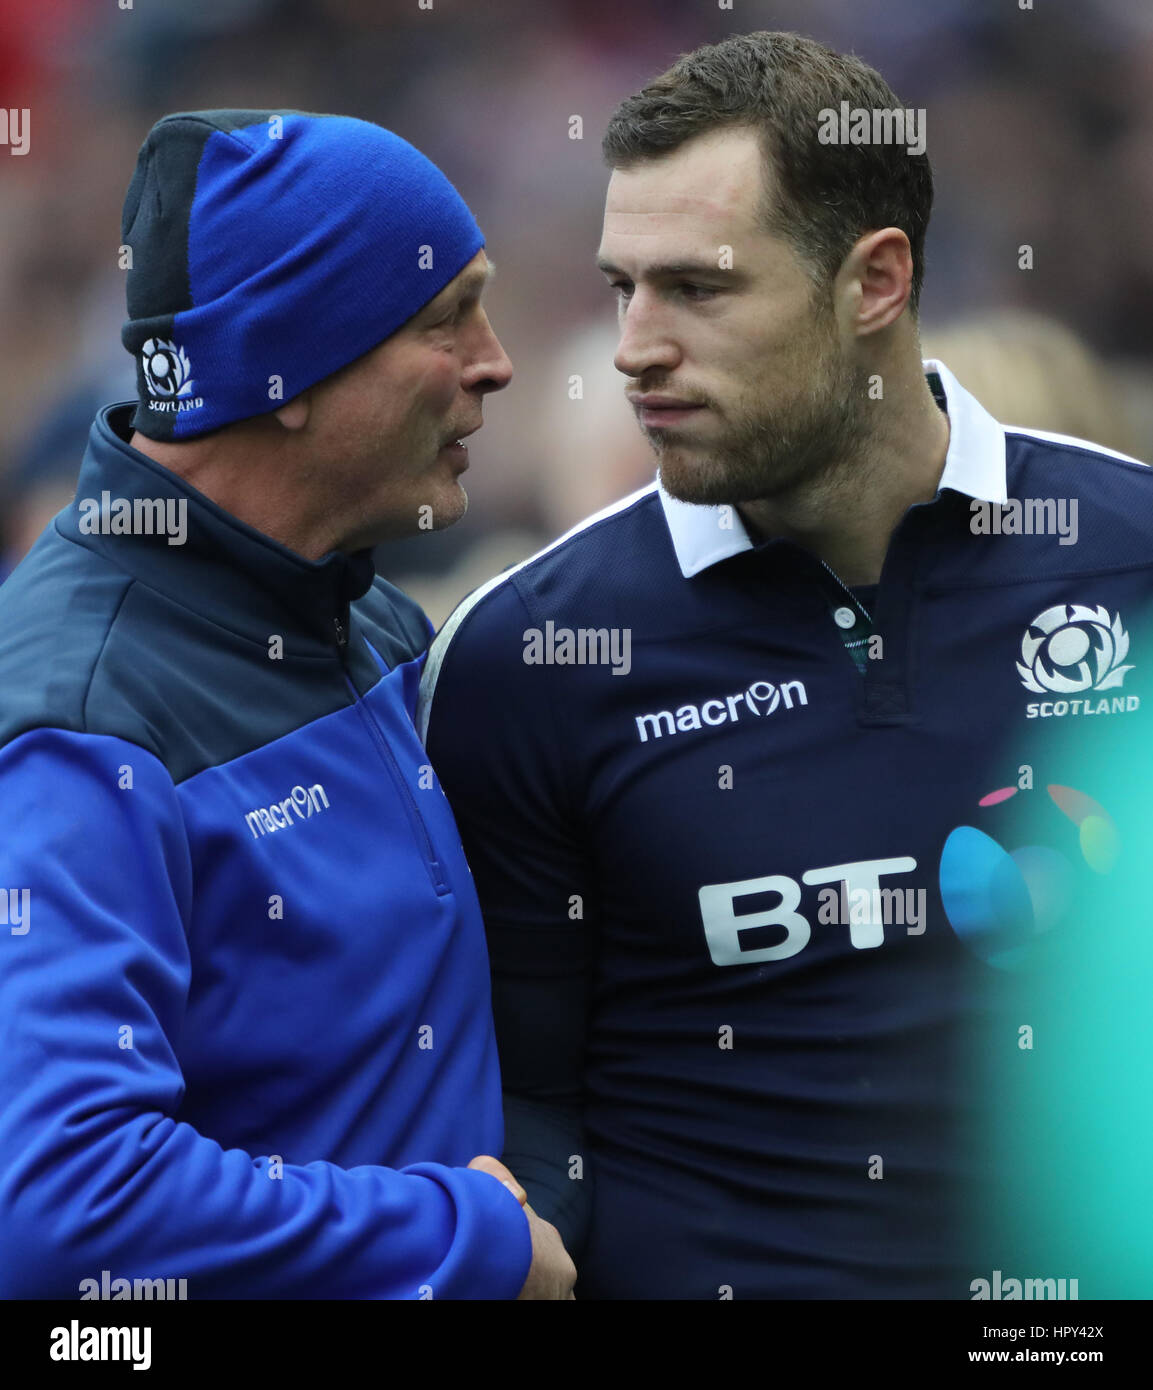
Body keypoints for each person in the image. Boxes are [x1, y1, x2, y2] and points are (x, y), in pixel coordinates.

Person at [419, 32, 1153, 1298]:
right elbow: (521, 1109)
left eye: (696, 290)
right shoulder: (523, 655)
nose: (634, 349)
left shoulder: (1128, 555)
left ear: (873, 281)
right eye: (620, 289)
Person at [0, 108, 575, 1300]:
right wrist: (464, 1241)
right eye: (443, 317)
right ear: (287, 369)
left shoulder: (371, 622)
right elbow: (63, 1210)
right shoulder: (76, 723)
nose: (495, 359)